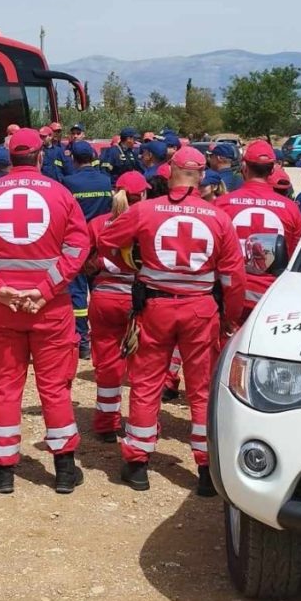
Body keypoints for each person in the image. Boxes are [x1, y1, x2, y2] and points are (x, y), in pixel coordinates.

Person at [98, 146, 245, 495]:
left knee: (146, 384)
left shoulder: (144, 211)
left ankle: (137, 464)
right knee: (202, 391)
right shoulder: (218, 216)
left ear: (169, 172)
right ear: (203, 176)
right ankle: (206, 471)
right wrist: (230, 318)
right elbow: (233, 277)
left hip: (155, 307)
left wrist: (135, 264)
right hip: (200, 310)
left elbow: (105, 241)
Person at [0, 127, 91, 495]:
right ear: (40, 156)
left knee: (5, 388)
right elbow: (79, 247)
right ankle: (64, 471)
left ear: (8, 157)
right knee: (56, 389)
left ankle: (2, 472)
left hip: (3, 311)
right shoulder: (61, 195)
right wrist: (45, 289)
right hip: (51, 309)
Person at [88, 171, 149, 441]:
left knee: (107, 363)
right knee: (145, 366)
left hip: (104, 297)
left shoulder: (98, 223)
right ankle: (141, 423)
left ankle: (106, 424)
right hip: (141, 301)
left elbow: (83, 263)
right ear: (143, 195)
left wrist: (101, 266)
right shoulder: (152, 220)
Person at [217, 140, 301, 322]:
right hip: (271, 296)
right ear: (272, 170)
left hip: (230, 293)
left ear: (244, 167)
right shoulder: (291, 209)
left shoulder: (222, 204)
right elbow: (297, 252)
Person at [61, 141, 113, 363]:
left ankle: (82, 342)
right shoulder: (105, 180)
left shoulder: (68, 182)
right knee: (100, 292)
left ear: (73, 159)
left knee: (77, 296)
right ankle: (103, 339)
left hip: (76, 245)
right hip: (101, 244)